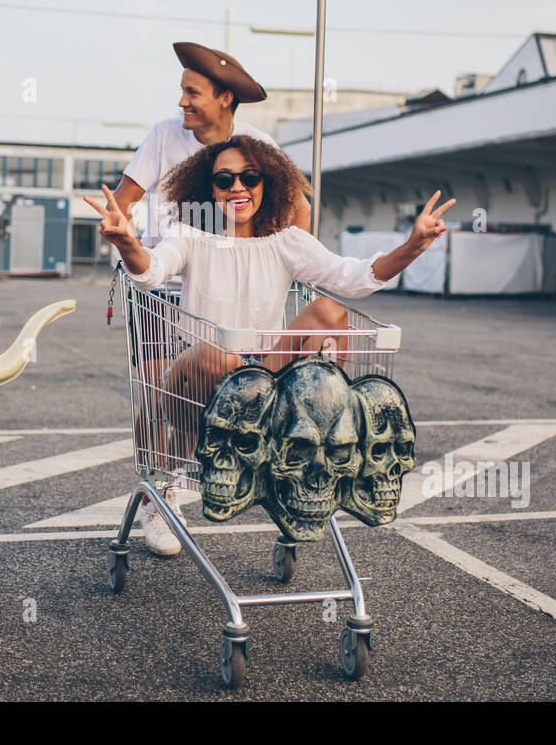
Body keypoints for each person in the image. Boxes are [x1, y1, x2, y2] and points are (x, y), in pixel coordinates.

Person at [86, 135, 452, 554]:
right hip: (197, 392)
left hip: (266, 391)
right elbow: (152, 271)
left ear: (268, 182)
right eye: (224, 179)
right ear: (209, 188)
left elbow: (354, 277)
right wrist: (129, 243)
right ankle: (161, 489)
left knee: (330, 312)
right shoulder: (188, 236)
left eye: (249, 177)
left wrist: (412, 246)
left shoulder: (286, 243)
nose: (237, 187)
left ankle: (305, 429)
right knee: (219, 355)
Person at [111, 42, 311, 237]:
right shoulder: (164, 134)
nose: (182, 102)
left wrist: (282, 263)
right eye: (183, 91)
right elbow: (120, 204)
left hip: (228, 269)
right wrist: (139, 257)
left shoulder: (258, 144)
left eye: (193, 93)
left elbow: (302, 210)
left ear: (225, 98)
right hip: (162, 269)